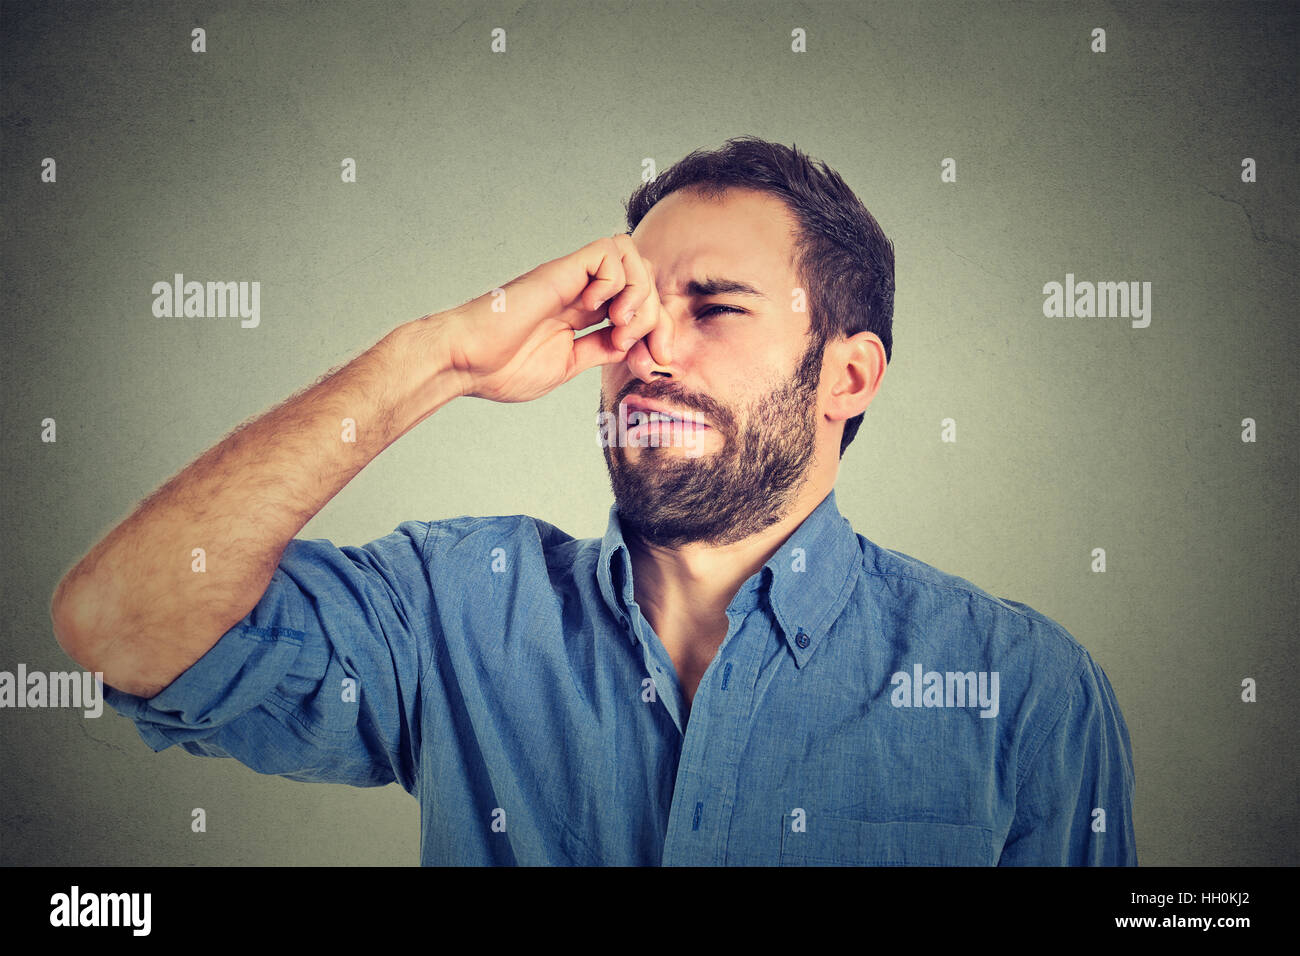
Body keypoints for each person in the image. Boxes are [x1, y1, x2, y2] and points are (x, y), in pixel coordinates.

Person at [50, 136, 1137, 866]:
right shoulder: (454, 609)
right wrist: (439, 357)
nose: (645, 347)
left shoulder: (1020, 689)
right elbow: (120, 619)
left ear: (846, 376)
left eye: (712, 305)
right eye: (629, 308)